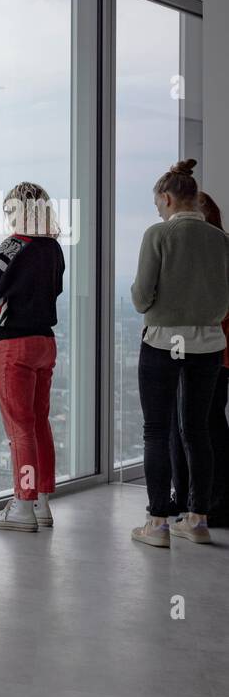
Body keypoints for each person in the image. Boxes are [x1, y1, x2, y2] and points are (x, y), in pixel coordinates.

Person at [130, 159, 229, 547]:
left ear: (168, 198)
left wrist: (159, 307)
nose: (158, 210)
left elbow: (141, 297)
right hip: (208, 344)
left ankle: (157, 525)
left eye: (158, 204)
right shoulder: (220, 240)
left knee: (156, 431)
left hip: (161, 342)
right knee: (198, 430)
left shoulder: (158, 235)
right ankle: (198, 519)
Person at [0, 183, 65, 531]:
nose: (8, 218)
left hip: (15, 345)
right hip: (46, 343)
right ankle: (41, 502)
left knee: (19, 429)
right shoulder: (54, 248)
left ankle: (22, 507)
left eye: (11, 211)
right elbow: (54, 289)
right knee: (40, 423)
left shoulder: (14, 244)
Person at [168, 191, 229, 526]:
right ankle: (199, 499)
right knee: (203, 424)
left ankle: (201, 500)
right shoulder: (220, 246)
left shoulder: (207, 250)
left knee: (196, 426)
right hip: (213, 349)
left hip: (204, 349)